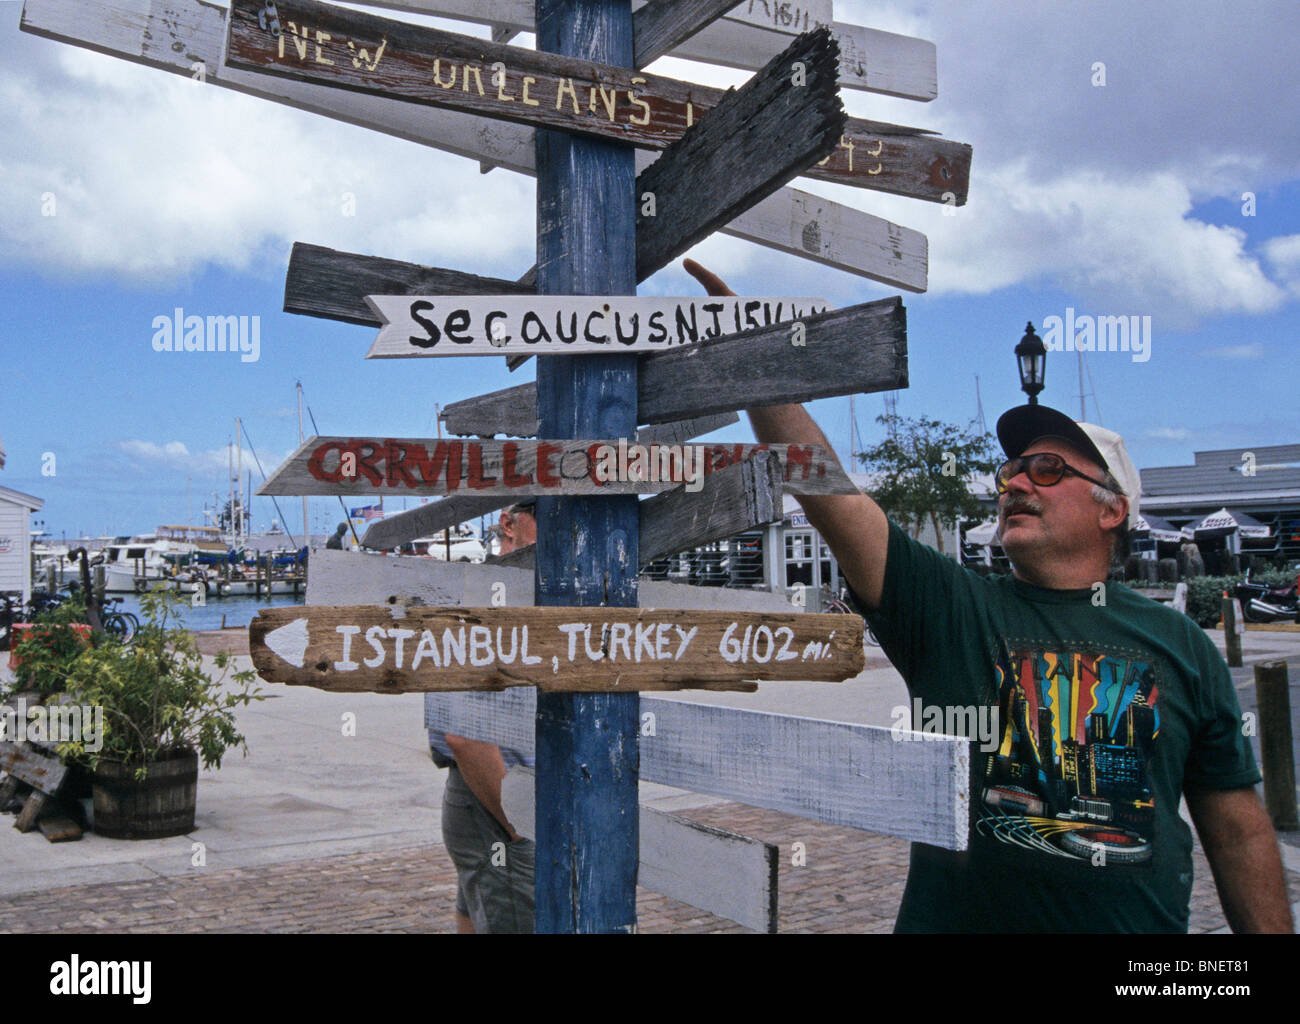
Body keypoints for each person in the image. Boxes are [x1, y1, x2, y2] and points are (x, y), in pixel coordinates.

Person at [685, 258, 1293, 934]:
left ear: (1112, 509)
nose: (1015, 484)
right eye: (1011, 471)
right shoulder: (951, 609)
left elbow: (1237, 830)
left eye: (1047, 469)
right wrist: (757, 359)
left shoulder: (1181, 643)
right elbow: (831, 491)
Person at [429, 500, 537, 933]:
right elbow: (465, 735)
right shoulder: (484, 601)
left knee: (477, 915)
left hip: (493, 797)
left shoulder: (523, 596)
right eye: (551, 516)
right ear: (509, 524)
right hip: (494, 796)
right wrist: (516, 825)